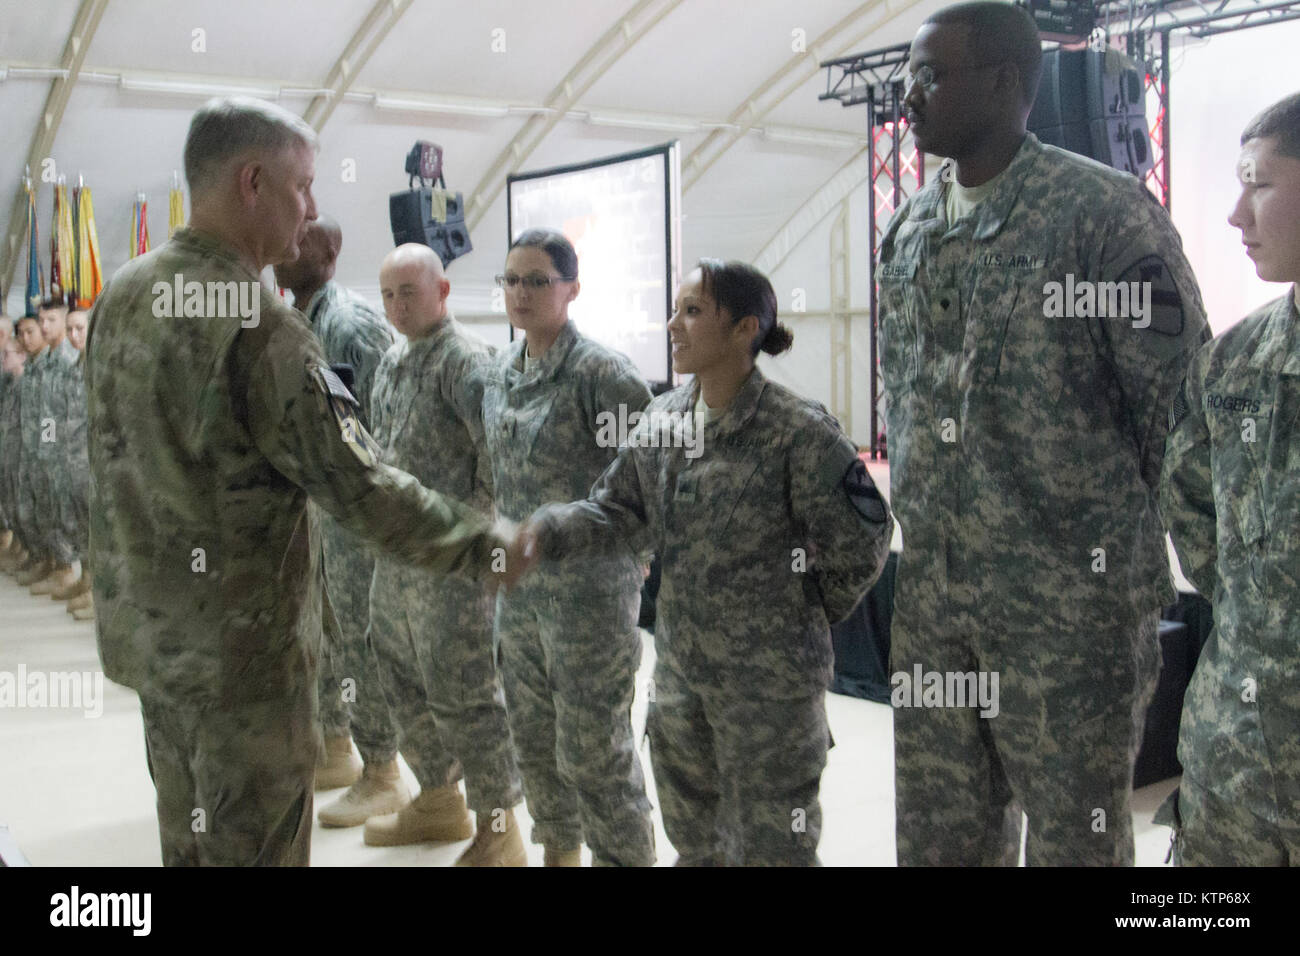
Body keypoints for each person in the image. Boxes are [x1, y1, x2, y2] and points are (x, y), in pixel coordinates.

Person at [84, 96, 532, 867]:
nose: (313, 207)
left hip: (159, 651)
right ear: (252, 182)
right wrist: (485, 544)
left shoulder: (124, 292)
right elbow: (360, 487)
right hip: (242, 667)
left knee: (189, 842)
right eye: (303, 186)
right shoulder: (259, 328)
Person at [878, 2, 1210, 865]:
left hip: (1070, 619)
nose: (909, 94)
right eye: (909, 74)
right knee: (939, 841)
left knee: (1075, 845)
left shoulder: (1101, 217)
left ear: (1005, 83)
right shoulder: (909, 230)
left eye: (932, 73)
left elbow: (1181, 422)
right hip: (937, 606)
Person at [526, 259, 894, 865]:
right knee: (695, 843)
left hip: (769, 697)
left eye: (692, 311)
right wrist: (545, 529)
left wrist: (801, 610)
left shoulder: (797, 434)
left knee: (777, 848)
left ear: (745, 328)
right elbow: (617, 510)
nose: (674, 325)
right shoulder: (663, 420)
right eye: (675, 310)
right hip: (681, 686)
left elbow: (865, 542)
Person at [482, 227, 655, 866]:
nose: (520, 294)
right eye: (510, 280)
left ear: (571, 288)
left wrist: (636, 562)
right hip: (520, 599)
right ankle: (559, 851)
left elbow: (648, 488)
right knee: (532, 739)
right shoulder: (499, 371)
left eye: (536, 281)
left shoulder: (603, 376)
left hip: (591, 598)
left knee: (593, 750)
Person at [1158, 91, 1300, 865]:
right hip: (1235, 779)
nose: (1236, 215)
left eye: (1262, 183)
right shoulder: (1231, 365)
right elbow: (1193, 516)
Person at [354, 243, 525, 865]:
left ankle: (501, 828)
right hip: (397, 559)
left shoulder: (467, 363)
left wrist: (476, 540)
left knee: (467, 692)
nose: (397, 306)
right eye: (388, 295)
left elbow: (496, 462)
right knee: (399, 676)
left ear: (442, 290)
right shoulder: (394, 360)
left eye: (408, 292)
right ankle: (437, 797)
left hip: (452, 563)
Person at [273, 216, 405, 814]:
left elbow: (383, 424)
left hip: (358, 516)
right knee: (327, 636)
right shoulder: (304, 316)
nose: (286, 249)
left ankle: (382, 771)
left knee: (358, 640)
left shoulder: (349, 324)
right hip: (325, 509)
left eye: (303, 240)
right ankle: (338, 743)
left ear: (330, 249)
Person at [31, 297, 80, 598]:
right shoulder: (47, 359)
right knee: (50, 508)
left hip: (68, 451)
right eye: (42, 321)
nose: (44, 326)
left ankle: (68, 570)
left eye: (51, 320)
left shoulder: (69, 359)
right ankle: (55, 565)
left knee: (68, 513)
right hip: (46, 449)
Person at [55, 309, 93, 619]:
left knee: (98, 530)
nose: (74, 335)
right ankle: (88, 580)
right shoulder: (74, 368)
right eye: (70, 329)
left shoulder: (99, 364)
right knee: (82, 526)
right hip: (75, 458)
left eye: (79, 328)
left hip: (94, 462)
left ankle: (99, 595)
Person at [12, 311, 52, 587]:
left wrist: (49, 448)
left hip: (58, 453)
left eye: (32, 331)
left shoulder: (57, 365)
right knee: (39, 508)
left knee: (62, 512)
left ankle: (65, 570)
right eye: (22, 334)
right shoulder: (35, 369)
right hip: (32, 450)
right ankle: (46, 561)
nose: (26, 339)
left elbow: (54, 416)